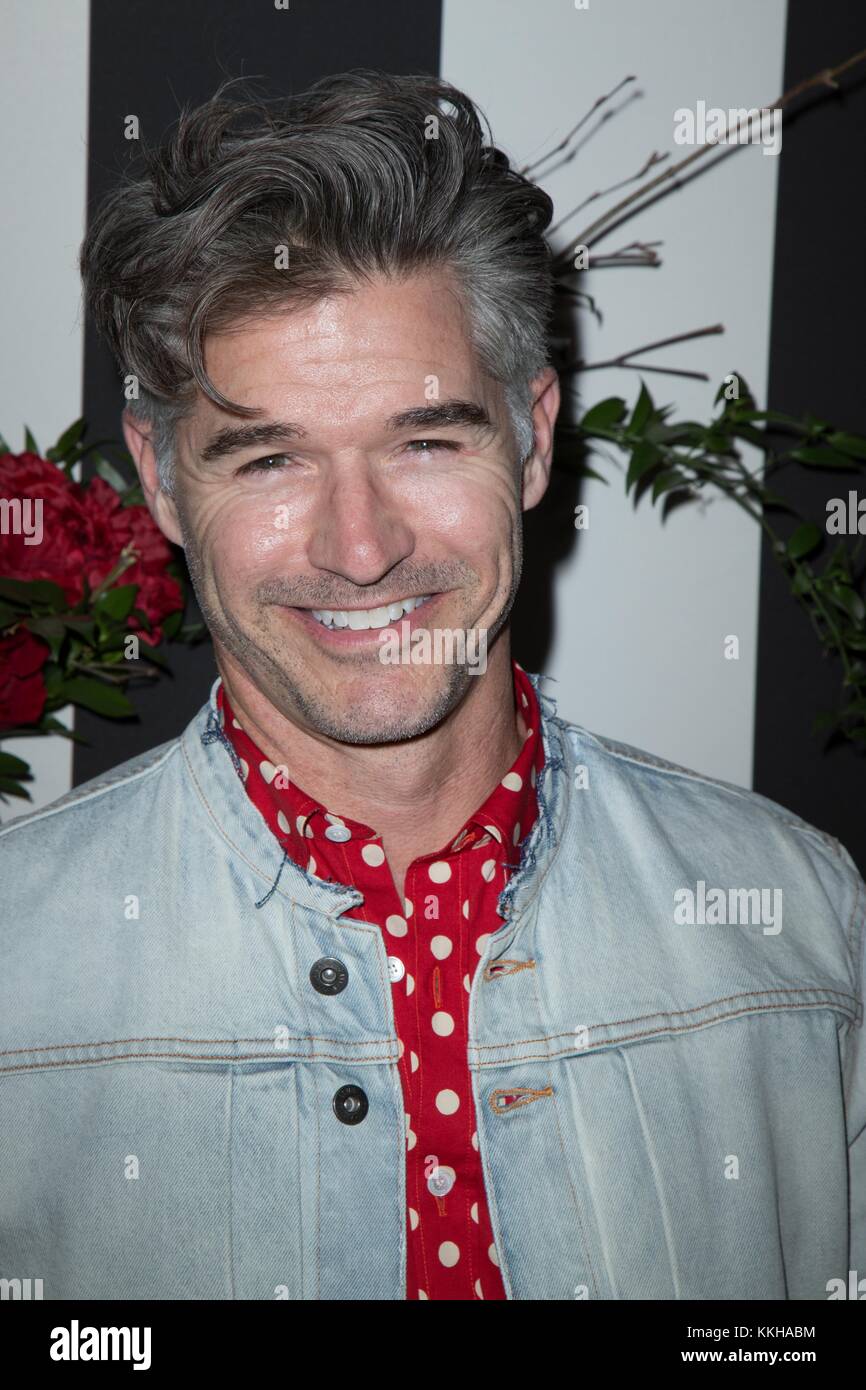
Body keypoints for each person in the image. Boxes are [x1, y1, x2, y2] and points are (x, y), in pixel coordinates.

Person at [0, 70, 863, 1302]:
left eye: (425, 439)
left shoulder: (799, 925)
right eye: (269, 457)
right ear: (160, 479)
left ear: (533, 438)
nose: (360, 549)